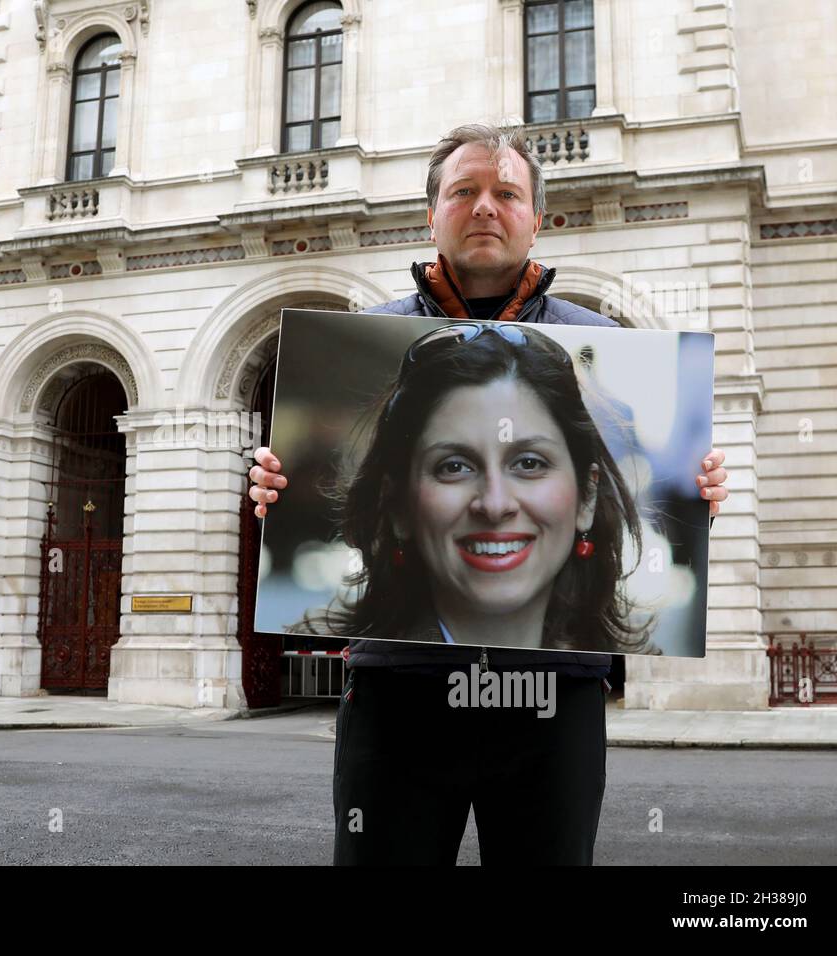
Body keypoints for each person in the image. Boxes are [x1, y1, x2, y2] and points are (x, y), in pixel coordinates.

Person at [248, 123, 731, 865]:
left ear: (537, 218)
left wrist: (702, 495)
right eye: (463, 191)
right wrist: (272, 489)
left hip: (554, 701)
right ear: (430, 212)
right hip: (398, 697)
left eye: (507, 193)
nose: (484, 208)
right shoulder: (368, 334)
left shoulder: (599, 339)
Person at [289, 321, 659, 656]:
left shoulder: (635, 673)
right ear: (398, 506)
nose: (495, 504)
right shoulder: (329, 659)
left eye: (529, 463)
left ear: (586, 498)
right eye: (454, 467)